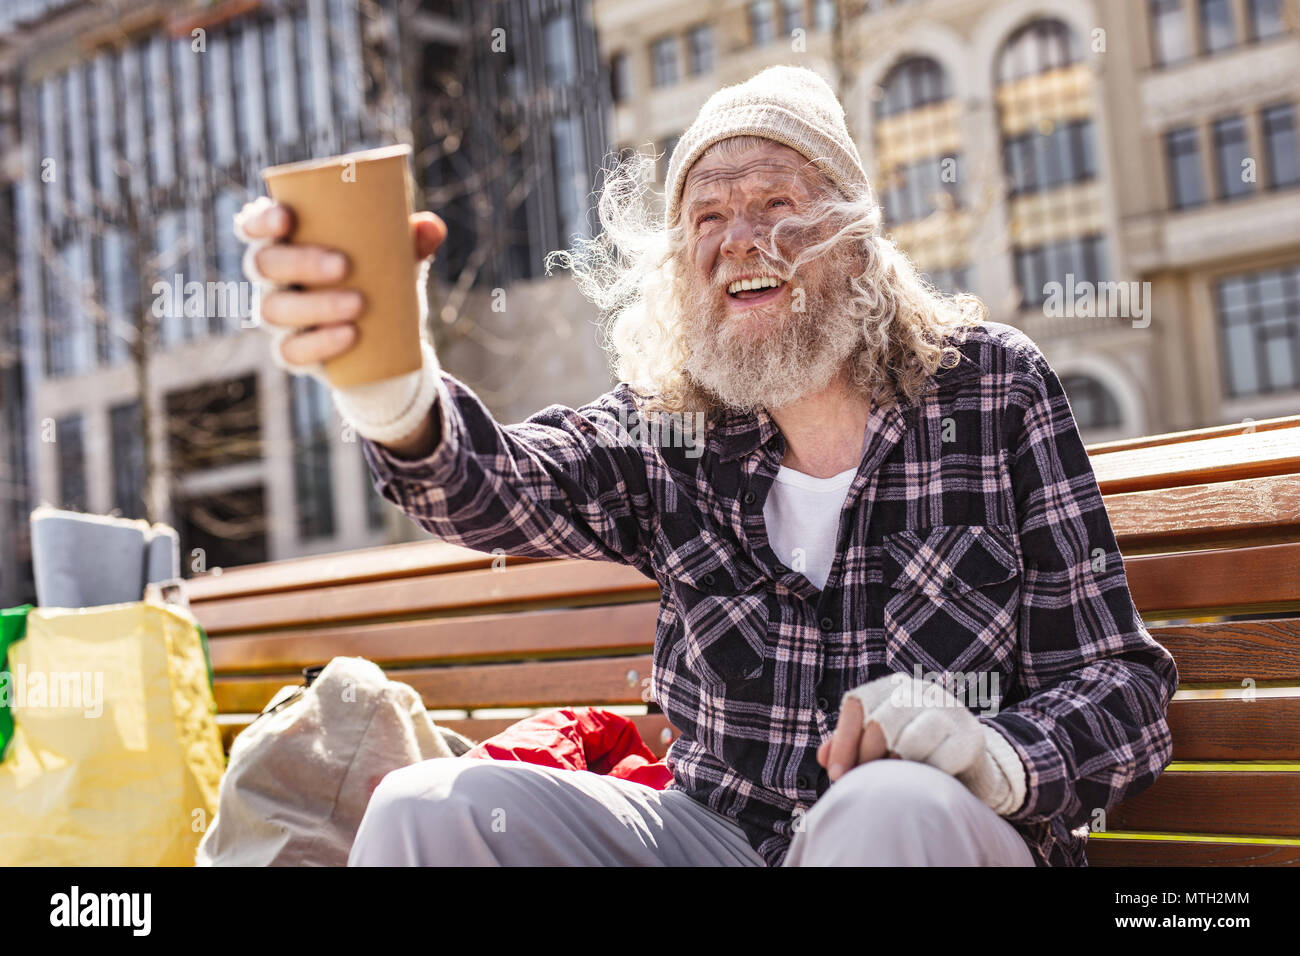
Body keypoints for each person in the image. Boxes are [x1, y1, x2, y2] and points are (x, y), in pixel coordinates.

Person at [233, 65, 1178, 867]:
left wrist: (992, 753)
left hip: (931, 834)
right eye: (708, 215)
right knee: (424, 810)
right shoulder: (674, 430)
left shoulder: (990, 389)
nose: (739, 239)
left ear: (857, 242)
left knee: (887, 802)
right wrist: (388, 379)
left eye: (777, 204)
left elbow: (1125, 690)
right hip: (713, 837)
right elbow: (499, 487)